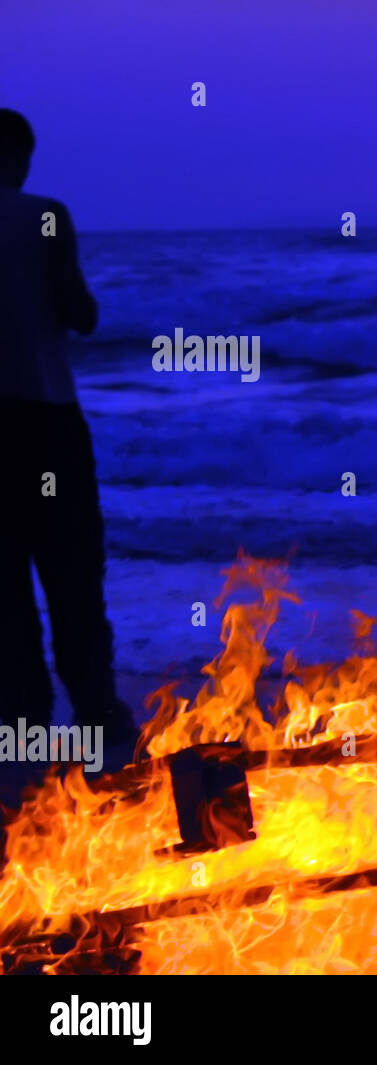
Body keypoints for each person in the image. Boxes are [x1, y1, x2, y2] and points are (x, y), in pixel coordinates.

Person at [0, 108, 137, 777]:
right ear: (22, 160)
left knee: (5, 602)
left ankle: (26, 753)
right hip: (44, 422)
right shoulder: (45, 216)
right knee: (74, 582)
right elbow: (79, 312)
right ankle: (101, 740)